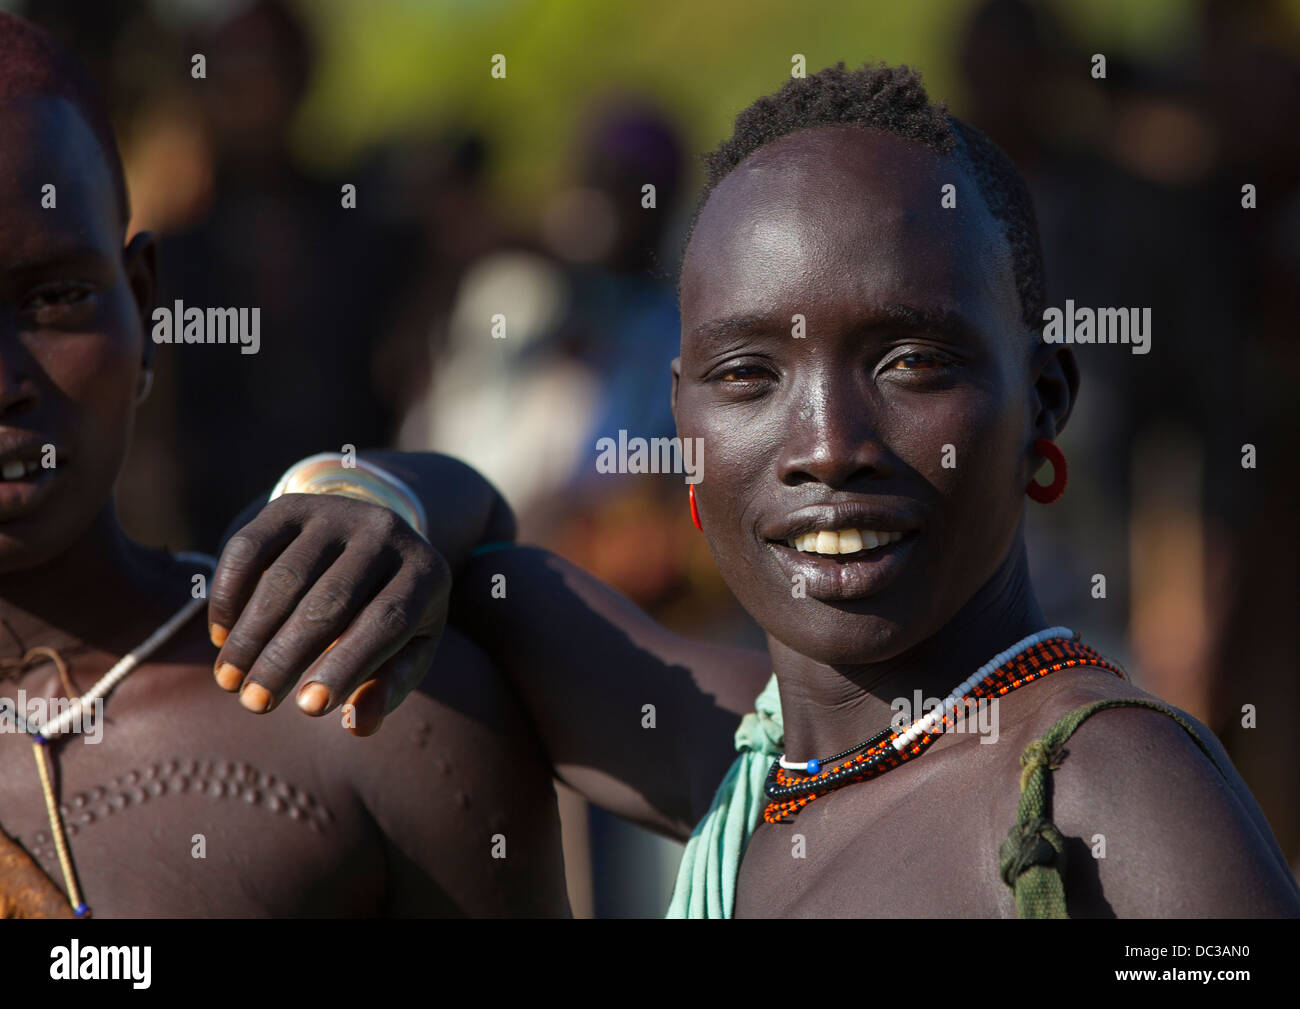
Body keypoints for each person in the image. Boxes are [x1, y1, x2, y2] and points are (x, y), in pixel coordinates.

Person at [256, 62, 1300, 917]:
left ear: (1042, 401)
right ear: (684, 431)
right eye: (748, 375)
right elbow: (478, 550)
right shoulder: (744, 757)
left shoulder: (1114, 798)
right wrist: (361, 496)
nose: (828, 446)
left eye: (909, 361)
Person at [0, 12, 567, 917]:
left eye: (56, 297)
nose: (6, 382)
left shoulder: (377, 712)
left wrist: (388, 497)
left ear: (143, 307)